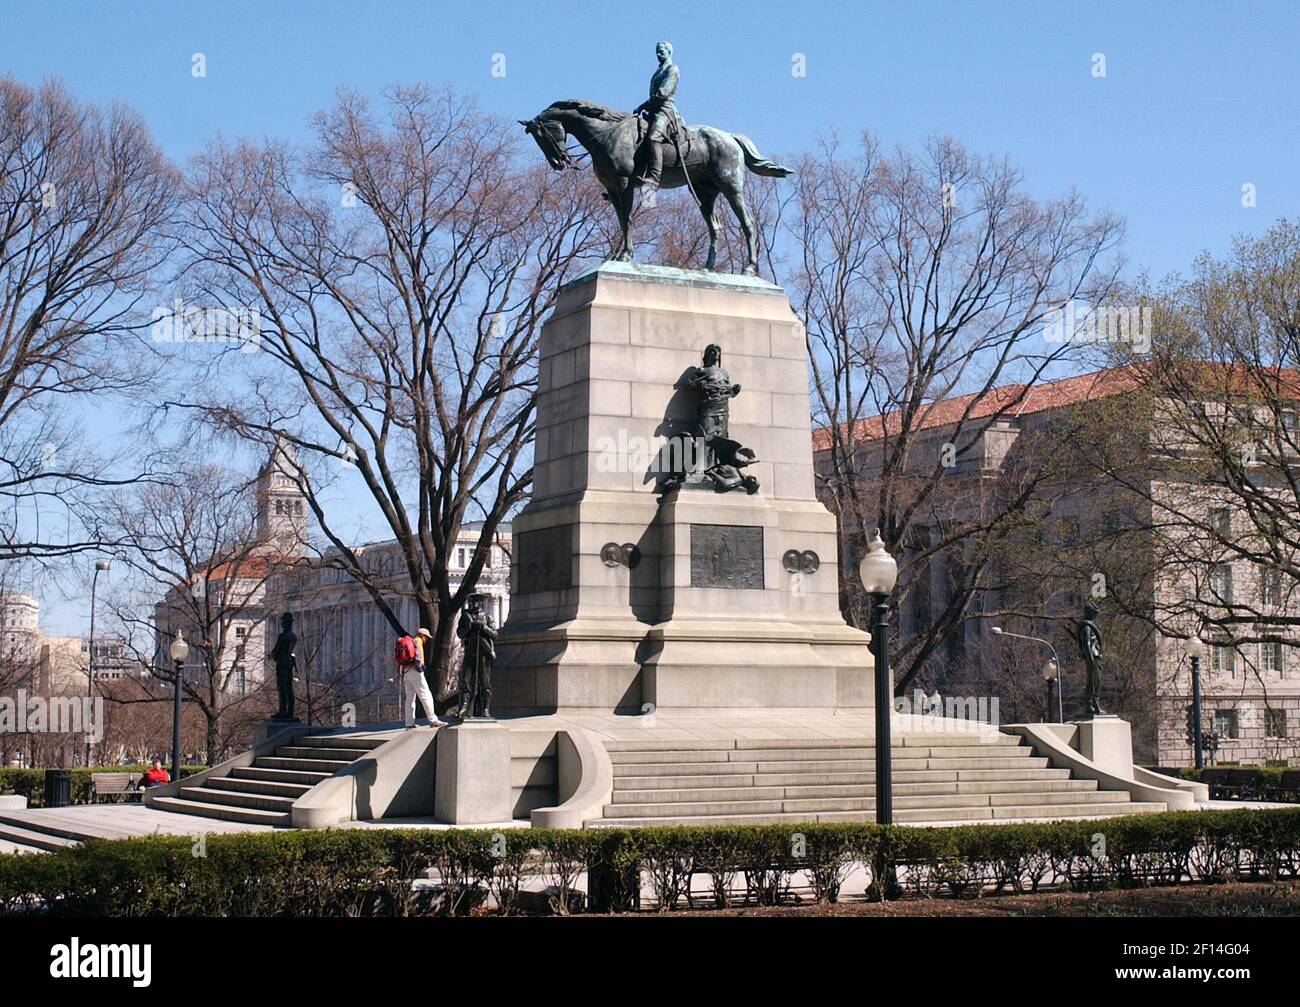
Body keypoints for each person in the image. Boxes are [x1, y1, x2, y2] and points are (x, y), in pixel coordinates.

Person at [633, 40, 680, 190]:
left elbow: (662, 93)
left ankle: (654, 177)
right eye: (657, 52)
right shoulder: (659, 70)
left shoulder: (672, 69)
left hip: (664, 110)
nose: (658, 55)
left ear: (669, 52)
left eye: (661, 51)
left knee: (653, 138)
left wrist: (643, 105)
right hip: (653, 111)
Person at [399, 627, 439, 729]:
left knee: (410, 698)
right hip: (415, 672)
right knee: (426, 695)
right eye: (427, 638)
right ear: (423, 636)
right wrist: (421, 667)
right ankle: (433, 720)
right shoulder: (418, 641)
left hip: (405, 672)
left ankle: (409, 723)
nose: (427, 640)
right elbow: (418, 657)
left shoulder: (410, 641)